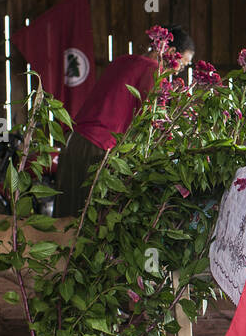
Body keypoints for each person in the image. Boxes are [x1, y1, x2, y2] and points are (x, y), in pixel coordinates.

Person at [54, 26, 196, 217]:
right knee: (90, 225)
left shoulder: (123, 60)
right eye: (184, 64)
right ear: (170, 52)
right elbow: (153, 120)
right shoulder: (153, 70)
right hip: (98, 152)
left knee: (66, 220)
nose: (180, 71)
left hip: (75, 145)